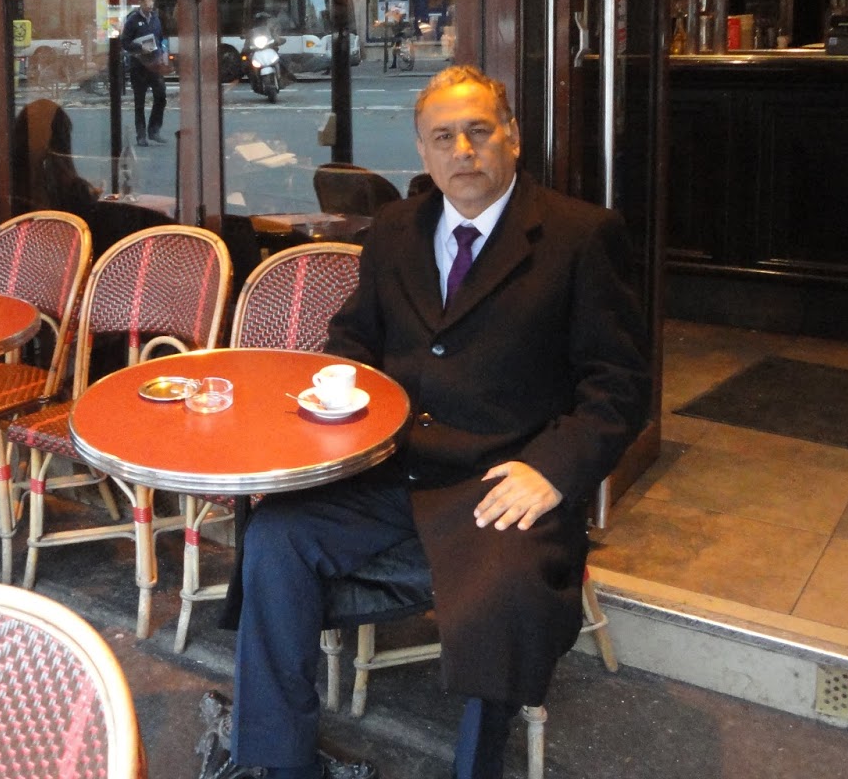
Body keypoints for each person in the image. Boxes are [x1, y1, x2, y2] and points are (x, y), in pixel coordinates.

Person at [225, 65, 650, 779]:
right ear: (422, 152)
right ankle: (274, 763)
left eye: (479, 132)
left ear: (511, 137)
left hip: (501, 479)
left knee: (500, 596)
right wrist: (340, 387)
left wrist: (553, 470)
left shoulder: (580, 236)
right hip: (391, 466)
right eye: (443, 137)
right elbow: (356, 337)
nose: (463, 151)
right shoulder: (394, 229)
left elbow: (620, 384)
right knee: (275, 537)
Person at [120, 0, 168, 146]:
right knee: (139, 101)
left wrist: (162, 53)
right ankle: (141, 135)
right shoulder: (132, 20)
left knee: (161, 97)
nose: (150, 4)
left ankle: (154, 130)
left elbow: (160, 38)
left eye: (152, 1)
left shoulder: (155, 18)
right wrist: (140, 48)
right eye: (147, 1)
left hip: (154, 64)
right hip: (139, 66)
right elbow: (125, 42)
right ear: (140, 2)